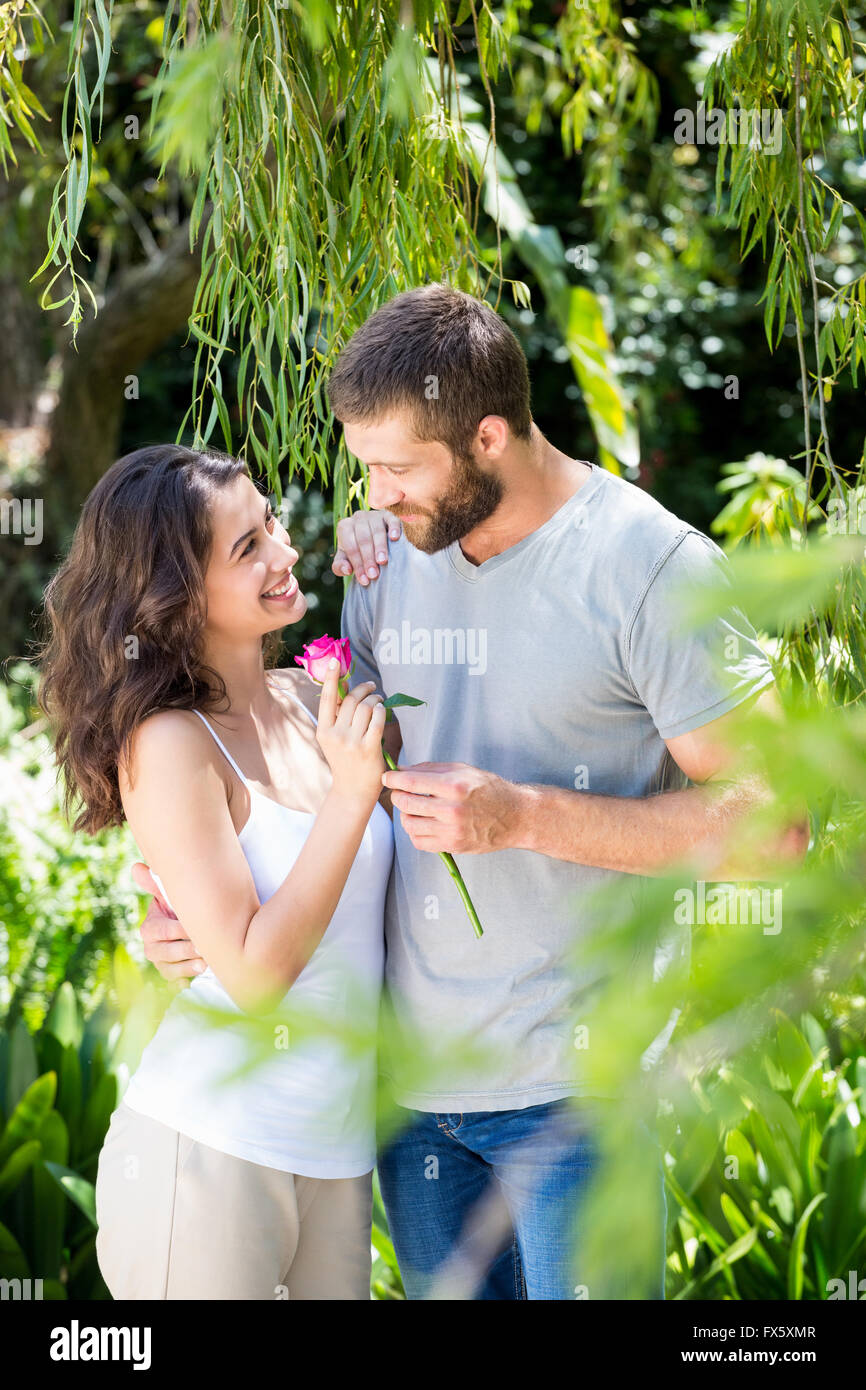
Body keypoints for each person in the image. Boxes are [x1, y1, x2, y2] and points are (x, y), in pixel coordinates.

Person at [138, 286, 809, 1300]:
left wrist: (526, 814)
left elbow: (783, 824)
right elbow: (307, 776)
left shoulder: (652, 570)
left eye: (396, 468)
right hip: (409, 1101)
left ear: (487, 436)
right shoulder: (389, 559)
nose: (373, 493)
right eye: (365, 465)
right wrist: (188, 908)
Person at [38, 444, 394, 1300]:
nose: (285, 551)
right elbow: (257, 975)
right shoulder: (168, 743)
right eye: (249, 547)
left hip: (337, 1160)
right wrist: (351, 799)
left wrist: (387, 533)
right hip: (206, 1156)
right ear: (175, 594)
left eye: (270, 522)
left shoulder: (317, 699)